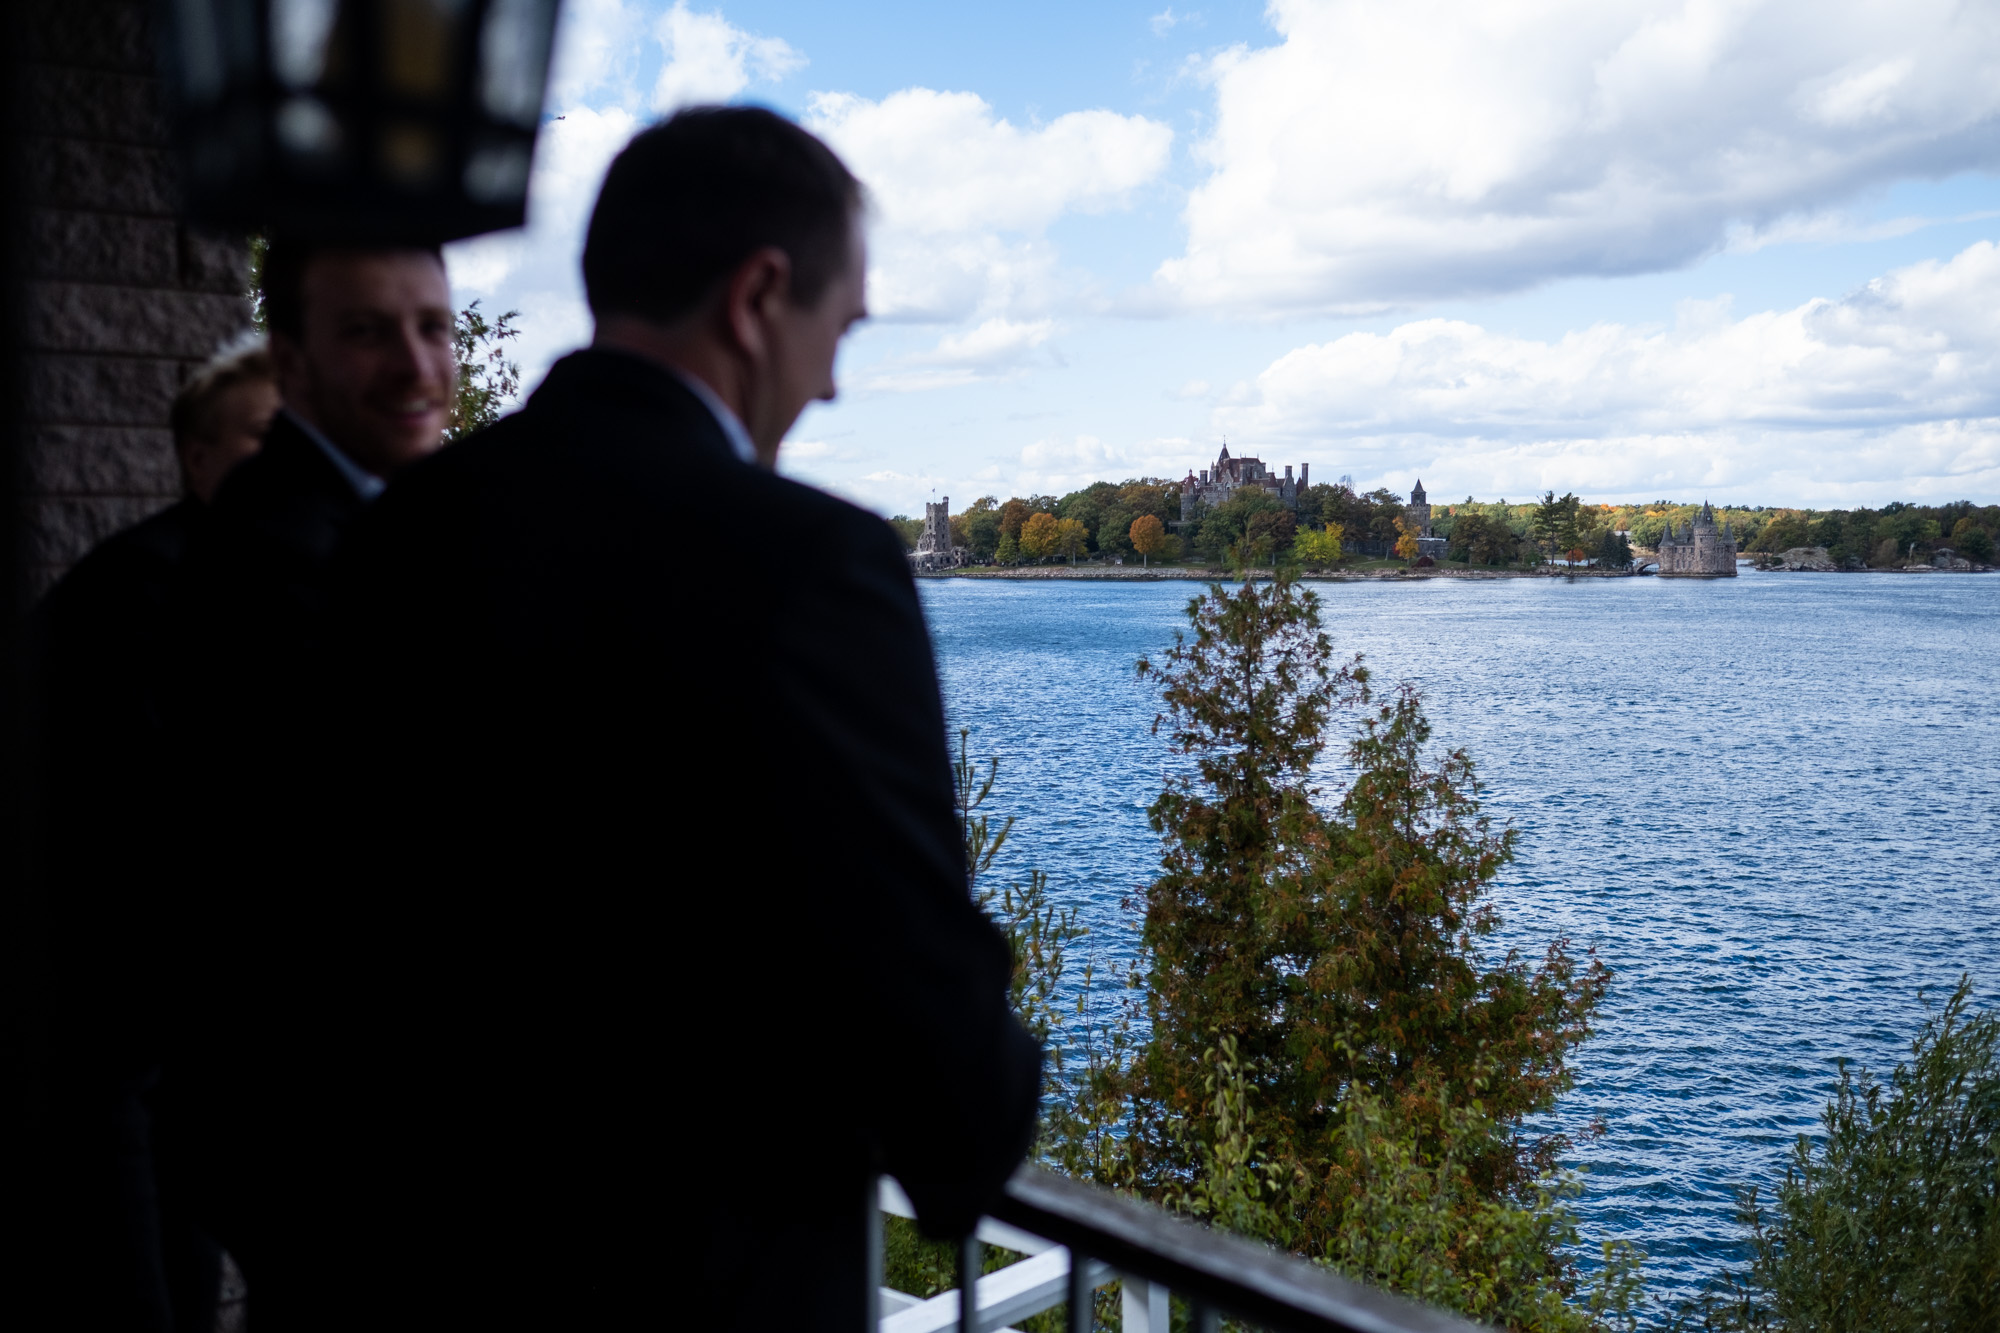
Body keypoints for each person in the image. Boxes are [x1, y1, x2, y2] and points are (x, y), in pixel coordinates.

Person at [329, 107, 1041, 1330]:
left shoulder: (394, 533)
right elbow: (948, 1094)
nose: (830, 382)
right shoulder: (810, 566)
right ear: (757, 298)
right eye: (839, 331)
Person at [146, 239, 458, 1329]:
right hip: (343, 1155)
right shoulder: (292, 556)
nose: (415, 363)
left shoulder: (349, 524)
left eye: (433, 327)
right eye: (368, 331)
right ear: (291, 359)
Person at [31, 341, 277, 1333]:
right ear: (197, 457)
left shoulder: (243, 584)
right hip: (111, 1040)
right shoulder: (144, 594)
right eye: (262, 437)